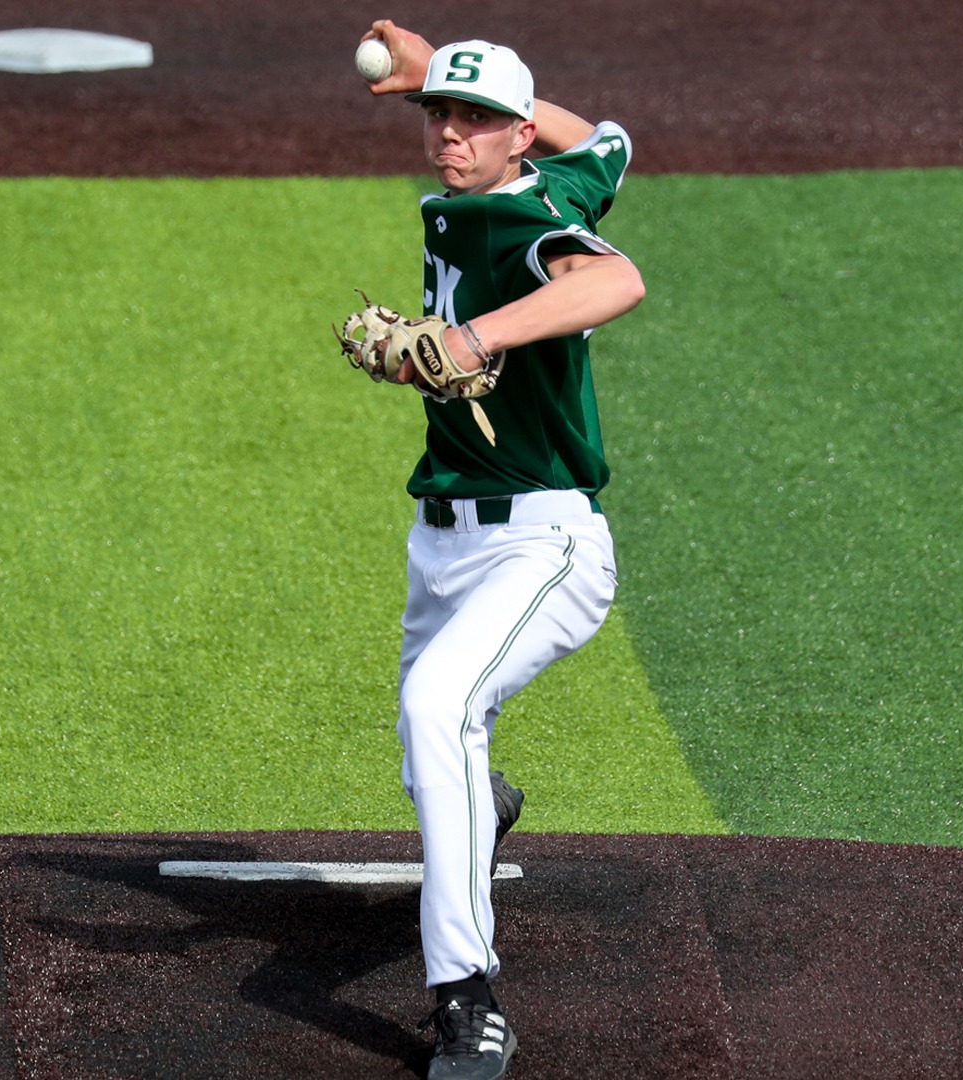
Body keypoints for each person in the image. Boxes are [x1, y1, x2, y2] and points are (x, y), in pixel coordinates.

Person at [356, 19, 646, 1080]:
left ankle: (465, 998)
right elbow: (609, 140)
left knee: (442, 709)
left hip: (547, 544)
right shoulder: (548, 180)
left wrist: (476, 338)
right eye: (441, 114)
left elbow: (616, 286)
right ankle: (494, 805)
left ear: (514, 137)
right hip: (442, 548)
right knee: (429, 755)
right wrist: (446, 72)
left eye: (474, 121)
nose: (449, 134)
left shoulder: (523, 218)